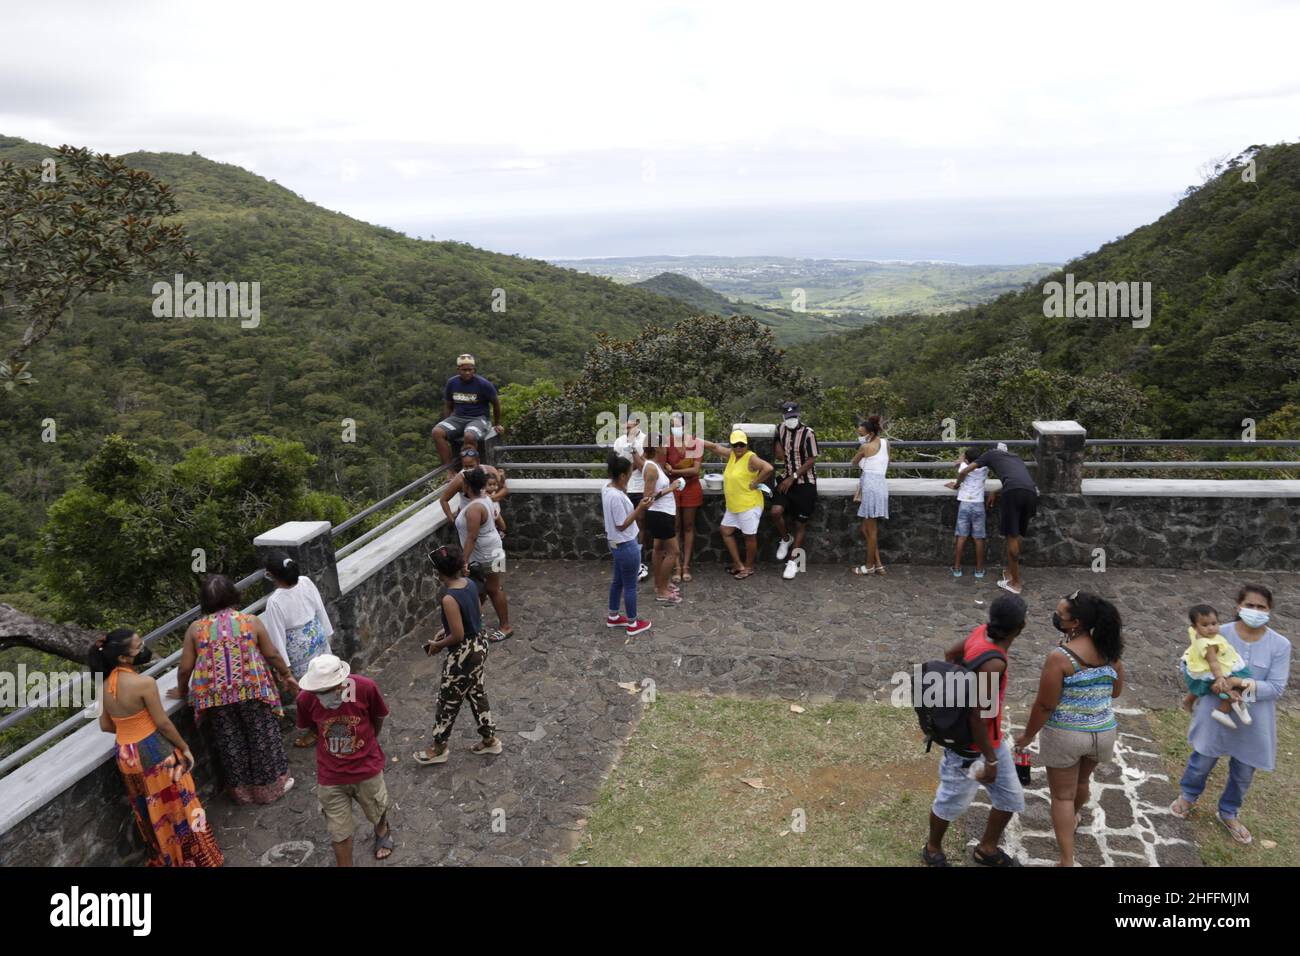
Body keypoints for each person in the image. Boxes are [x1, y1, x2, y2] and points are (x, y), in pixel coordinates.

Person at [93, 628, 224, 867]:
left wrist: (130, 730)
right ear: (123, 657)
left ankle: (167, 859)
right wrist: (184, 747)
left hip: (126, 755)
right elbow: (162, 722)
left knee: (149, 810)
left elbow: (105, 726)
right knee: (180, 803)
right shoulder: (144, 683)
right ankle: (198, 858)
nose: (142, 647)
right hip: (154, 750)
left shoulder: (103, 687)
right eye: (137, 646)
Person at [1171, 584, 1291, 846]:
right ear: (1238, 606)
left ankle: (1228, 812)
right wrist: (1204, 682)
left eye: (1261, 607)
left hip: (1254, 718)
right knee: (1201, 760)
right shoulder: (1215, 632)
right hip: (1214, 710)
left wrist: (1238, 682)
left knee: (1243, 772)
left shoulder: (1280, 645)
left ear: (1270, 610)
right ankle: (1188, 796)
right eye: (1250, 605)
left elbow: (1276, 687)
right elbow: (1189, 663)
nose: (1255, 611)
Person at [1014, 590, 1125, 867]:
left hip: (1066, 734)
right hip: (1103, 732)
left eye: (1061, 614)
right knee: (1082, 783)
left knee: (1062, 796)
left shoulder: (1061, 657)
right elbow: (1115, 692)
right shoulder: (1111, 651)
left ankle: (1066, 859)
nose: (1056, 616)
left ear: (1075, 622)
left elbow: (1044, 705)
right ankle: (1074, 818)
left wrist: (1027, 736)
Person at [169, 575, 295, 804]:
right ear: (232, 595)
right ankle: (269, 790)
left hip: (216, 699)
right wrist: (286, 675)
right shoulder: (250, 621)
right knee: (262, 738)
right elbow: (272, 654)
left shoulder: (196, 630)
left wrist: (181, 690)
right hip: (253, 692)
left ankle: (242, 794)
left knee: (231, 743)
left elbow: (185, 668)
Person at [923, 594, 1027, 867]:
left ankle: (987, 848)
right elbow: (978, 718)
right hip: (972, 749)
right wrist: (990, 759)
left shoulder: (980, 633)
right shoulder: (994, 663)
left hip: (991, 742)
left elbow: (950, 653)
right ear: (1020, 627)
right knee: (952, 800)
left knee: (1010, 797)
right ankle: (932, 847)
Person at [297, 654, 394, 864]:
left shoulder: (366, 687)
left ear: (341, 683)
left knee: (377, 807)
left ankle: (382, 828)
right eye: (319, 692)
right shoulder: (305, 699)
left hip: (367, 767)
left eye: (329, 690)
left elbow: (377, 718)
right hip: (331, 775)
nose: (323, 696)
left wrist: (369, 742)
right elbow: (314, 729)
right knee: (338, 831)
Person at [413, 544, 503, 764]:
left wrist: (438, 645)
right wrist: (446, 629)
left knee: (448, 700)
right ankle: (490, 740)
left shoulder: (449, 598)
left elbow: (458, 635)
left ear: (439, 572)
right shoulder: (469, 583)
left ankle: (439, 747)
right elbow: (476, 613)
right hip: (479, 645)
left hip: (464, 654)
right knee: (475, 693)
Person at [260, 550, 335, 747]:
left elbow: (277, 636)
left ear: (272, 575)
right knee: (327, 682)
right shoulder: (306, 582)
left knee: (308, 694)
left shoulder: (275, 602)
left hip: (300, 652)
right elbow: (320, 609)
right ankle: (336, 717)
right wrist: (327, 634)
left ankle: (317, 729)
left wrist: (284, 669)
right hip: (317, 637)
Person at [957, 444, 1038, 595]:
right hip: (1030, 492)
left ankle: (1015, 583)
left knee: (1011, 537)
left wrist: (956, 484)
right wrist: (996, 491)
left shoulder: (990, 454)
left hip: (1013, 494)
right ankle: (1009, 572)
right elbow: (1017, 479)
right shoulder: (1015, 457)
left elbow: (965, 471)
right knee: (1019, 533)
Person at [698, 430, 774, 580]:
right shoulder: (732, 455)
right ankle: (738, 564)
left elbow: (769, 468)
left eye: (741, 444)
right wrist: (695, 440)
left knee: (749, 536)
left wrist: (756, 482)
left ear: (746, 444)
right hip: (734, 505)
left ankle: (749, 567)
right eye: (735, 444)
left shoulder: (751, 458)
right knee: (725, 530)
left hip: (748, 504)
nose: (738, 447)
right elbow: (714, 447)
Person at [603, 452, 658, 636]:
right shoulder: (617, 497)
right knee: (630, 585)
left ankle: (613, 616)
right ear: (623, 476)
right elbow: (622, 524)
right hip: (626, 544)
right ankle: (633, 623)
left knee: (618, 581)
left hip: (616, 545)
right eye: (629, 473)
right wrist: (640, 508)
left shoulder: (607, 488)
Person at [455, 466, 512, 641]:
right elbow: (496, 519)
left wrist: (463, 561)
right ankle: (473, 625)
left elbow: (471, 537)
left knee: (491, 589)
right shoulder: (486, 498)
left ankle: (505, 627)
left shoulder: (474, 509)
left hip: (485, 555)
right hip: (495, 550)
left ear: (467, 486)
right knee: (483, 589)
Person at [1180, 604, 1254, 728]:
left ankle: (1188, 700)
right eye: (1205, 625)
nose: (1211, 628)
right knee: (1238, 684)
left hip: (1201, 667)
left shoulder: (1196, 633)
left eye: (1214, 623)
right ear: (1195, 626)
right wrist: (1220, 678)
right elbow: (1213, 662)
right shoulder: (1209, 645)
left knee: (1204, 687)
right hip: (1215, 670)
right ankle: (1223, 711)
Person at [771, 401, 819, 581]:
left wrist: (794, 476)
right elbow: (779, 455)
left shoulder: (808, 433)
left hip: (805, 482)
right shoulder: (780, 429)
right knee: (776, 512)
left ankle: (793, 561)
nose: (791, 420)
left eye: (794, 417)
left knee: (801, 524)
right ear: (783, 417)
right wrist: (776, 437)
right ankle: (785, 538)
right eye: (787, 417)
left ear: (798, 415)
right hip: (786, 479)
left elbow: (812, 459)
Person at [432, 353, 503, 466]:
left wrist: (498, 423)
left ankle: (472, 467)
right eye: (464, 370)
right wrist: (446, 423)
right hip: (458, 418)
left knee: (469, 436)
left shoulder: (484, 384)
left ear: (474, 370)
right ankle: (450, 469)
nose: (467, 373)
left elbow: (496, 404)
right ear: (458, 369)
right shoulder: (452, 383)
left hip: (479, 418)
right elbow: (448, 405)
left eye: (470, 370)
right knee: (437, 432)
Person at [640, 438, 682, 605]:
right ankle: (662, 591)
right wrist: (670, 488)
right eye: (663, 444)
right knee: (674, 552)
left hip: (662, 513)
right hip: (660, 514)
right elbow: (647, 498)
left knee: (658, 550)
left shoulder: (654, 465)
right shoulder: (651, 468)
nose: (666, 447)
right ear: (656, 447)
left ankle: (660, 585)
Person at [665, 410, 703, 584]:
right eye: (673, 424)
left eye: (678, 423)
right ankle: (676, 565)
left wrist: (675, 471)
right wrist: (670, 470)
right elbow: (663, 464)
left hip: (691, 487)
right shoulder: (667, 442)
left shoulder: (695, 443)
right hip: (673, 488)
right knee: (675, 526)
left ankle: (686, 565)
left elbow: (695, 470)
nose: (675, 427)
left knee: (688, 526)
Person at [613, 414, 650, 582]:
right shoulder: (619, 441)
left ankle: (639, 558)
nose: (628, 430)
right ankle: (630, 558)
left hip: (640, 487)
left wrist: (627, 469)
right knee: (625, 524)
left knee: (640, 522)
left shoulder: (645, 439)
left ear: (638, 425)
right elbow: (616, 462)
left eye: (630, 427)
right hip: (624, 488)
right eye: (625, 427)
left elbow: (644, 464)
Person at [852, 415, 888, 576]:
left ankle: (869, 566)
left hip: (870, 487)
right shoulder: (886, 443)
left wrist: (863, 448)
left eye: (861, 434)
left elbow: (854, 462)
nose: (859, 437)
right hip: (880, 485)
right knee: (866, 528)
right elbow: (888, 462)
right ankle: (879, 565)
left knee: (871, 531)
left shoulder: (865, 448)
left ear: (870, 433)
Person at [945, 446, 988, 578]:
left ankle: (957, 569)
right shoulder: (985, 468)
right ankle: (979, 570)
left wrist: (955, 484)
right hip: (978, 504)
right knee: (978, 538)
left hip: (965, 504)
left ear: (967, 460)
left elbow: (960, 464)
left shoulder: (963, 466)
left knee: (961, 537)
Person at [439, 446, 507, 522]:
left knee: (502, 529)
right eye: (465, 467)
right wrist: (452, 521)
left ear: (478, 462)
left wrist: (490, 499)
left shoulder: (489, 470)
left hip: (492, 515)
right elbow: (443, 500)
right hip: (470, 518)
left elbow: (503, 488)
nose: (469, 470)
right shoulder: (460, 479)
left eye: (471, 466)